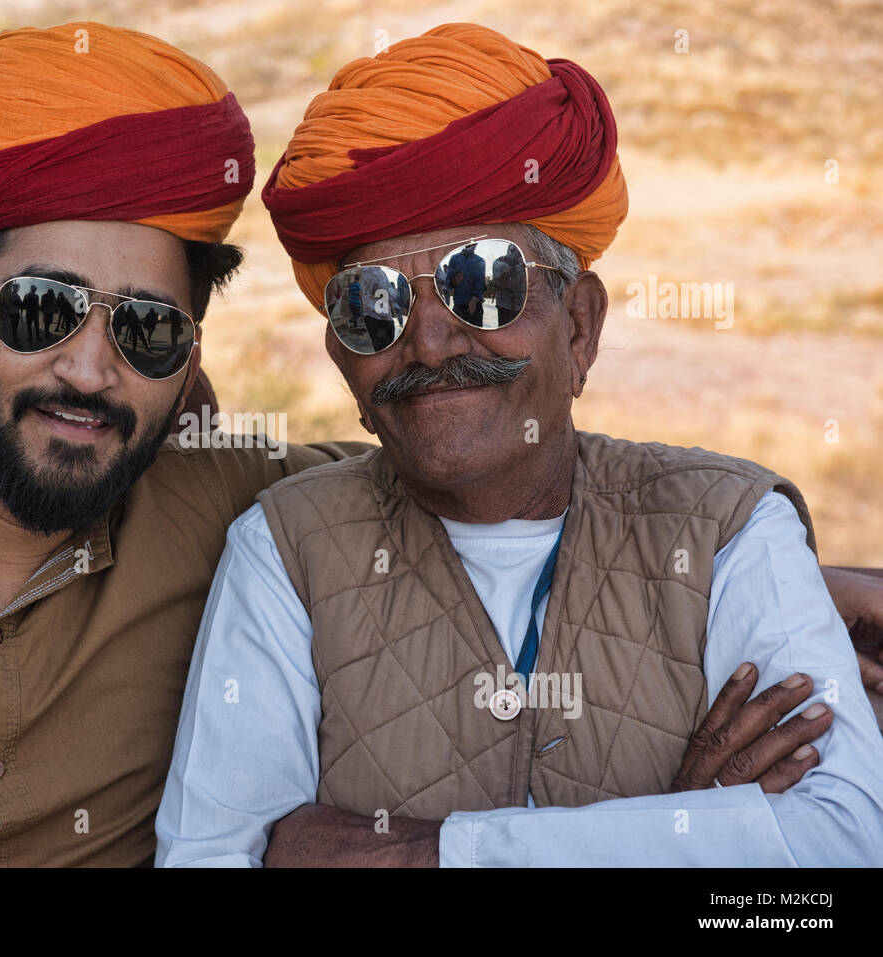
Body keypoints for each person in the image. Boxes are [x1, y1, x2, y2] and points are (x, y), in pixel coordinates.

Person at [0, 20, 877, 869]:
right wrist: (701, 835)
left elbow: (829, 854)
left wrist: (651, 831)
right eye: (39, 311)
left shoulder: (265, 522)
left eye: (146, 332)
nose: (89, 367)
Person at [155, 23, 883, 867]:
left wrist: (422, 856)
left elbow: (838, 850)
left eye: (484, 284)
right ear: (341, 357)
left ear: (580, 325)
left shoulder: (732, 527)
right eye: (373, 305)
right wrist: (689, 838)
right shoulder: (284, 549)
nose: (427, 341)